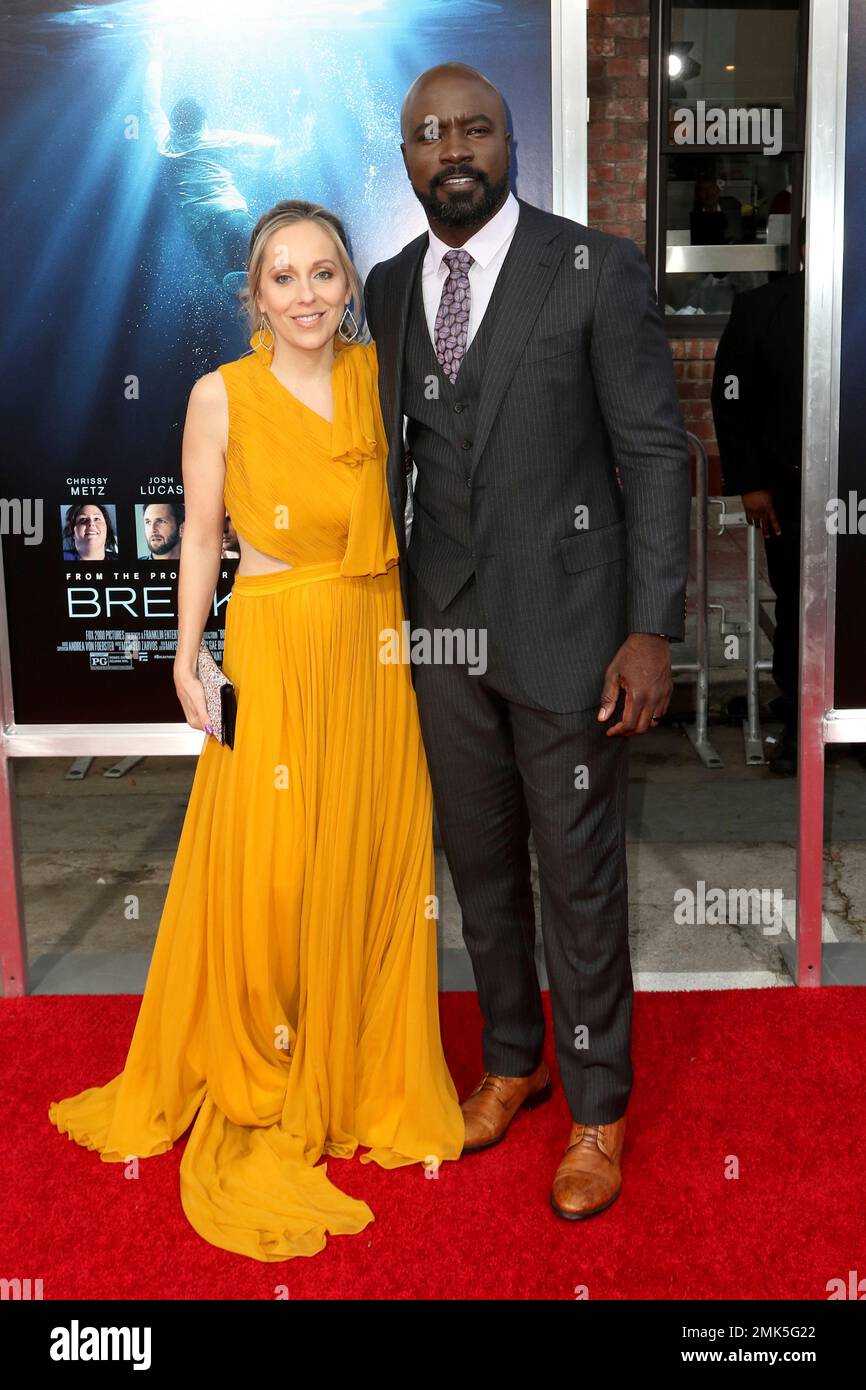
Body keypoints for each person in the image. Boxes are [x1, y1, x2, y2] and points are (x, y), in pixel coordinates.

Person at [49, 199, 464, 1261]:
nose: (307, 295)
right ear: (253, 295)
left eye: (324, 273)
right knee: (277, 867)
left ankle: (360, 1064)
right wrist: (187, 655)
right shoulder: (218, 396)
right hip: (276, 646)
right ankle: (274, 1058)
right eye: (283, 277)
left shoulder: (382, 382)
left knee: (369, 858)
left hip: (373, 645)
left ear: (348, 285)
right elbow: (197, 537)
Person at [365, 64, 692, 1220]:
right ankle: (513, 1057)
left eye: (474, 129)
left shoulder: (590, 268)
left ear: (511, 145)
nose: (451, 148)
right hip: (441, 636)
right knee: (480, 869)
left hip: (568, 629)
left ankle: (597, 1107)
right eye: (426, 134)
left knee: (580, 878)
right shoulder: (390, 286)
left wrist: (649, 626)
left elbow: (655, 453)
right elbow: (389, 460)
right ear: (404, 157)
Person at [711, 218, 806, 775]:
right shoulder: (760, 308)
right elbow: (732, 399)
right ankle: (798, 723)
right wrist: (750, 484)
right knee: (798, 606)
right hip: (788, 492)